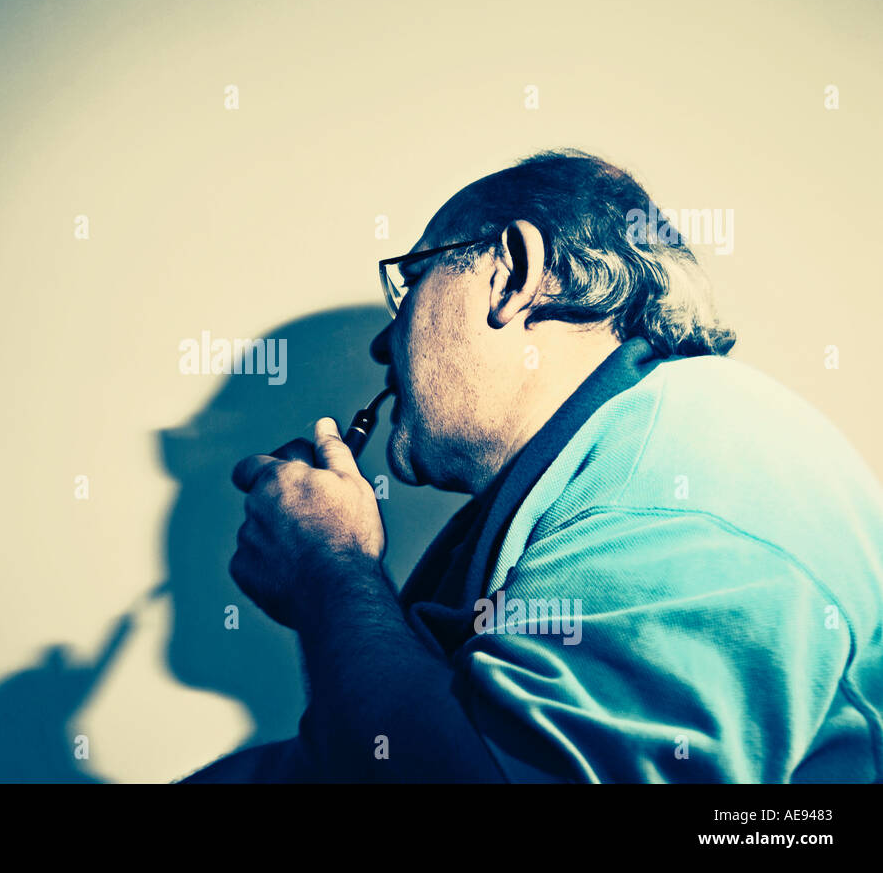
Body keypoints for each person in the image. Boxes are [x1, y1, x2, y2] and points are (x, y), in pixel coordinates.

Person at [180, 149, 883, 783]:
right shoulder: (595, 470)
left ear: (512, 274)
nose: (381, 342)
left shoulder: (685, 474)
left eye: (410, 285)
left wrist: (329, 569)